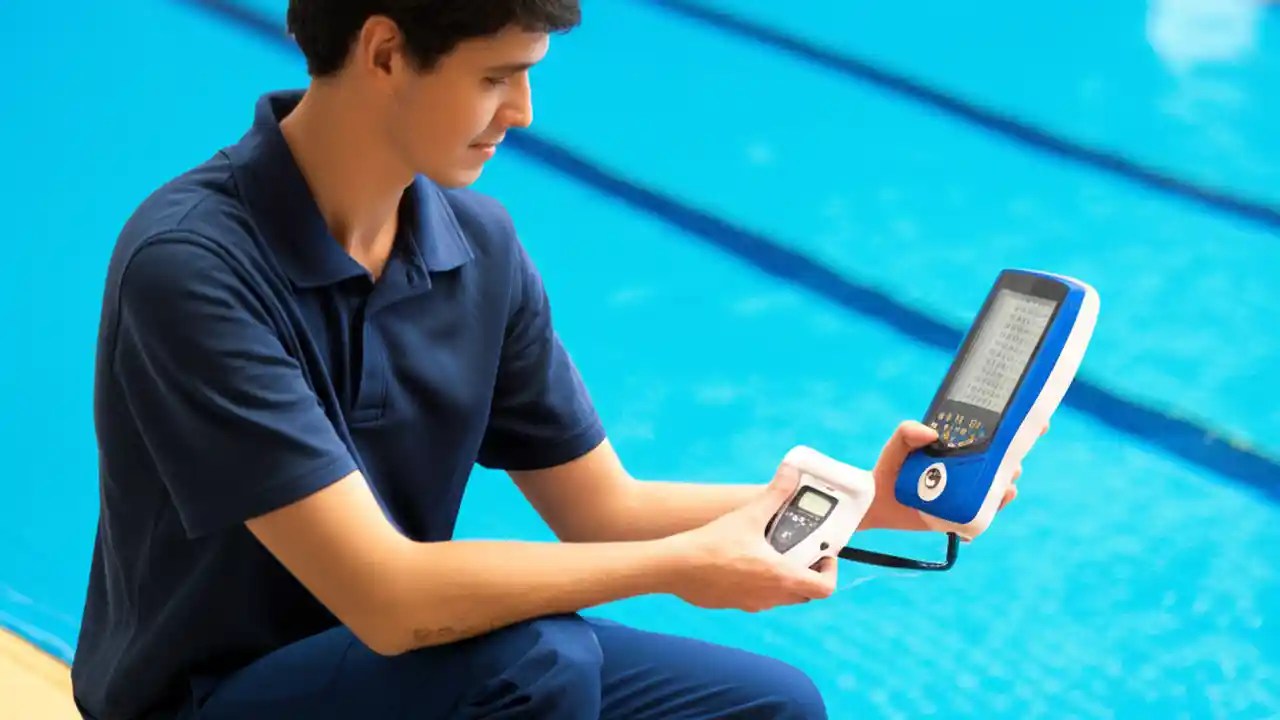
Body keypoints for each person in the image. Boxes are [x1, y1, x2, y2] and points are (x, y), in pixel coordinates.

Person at [69, 1, 1035, 718]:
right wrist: (682, 565)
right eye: (496, 76)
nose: (524, 111)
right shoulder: (193, 266)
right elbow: (389, 599)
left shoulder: (475, 247)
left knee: (770, 705)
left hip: (410, 670)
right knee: (537, 665)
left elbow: (602, 509)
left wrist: (881, 499)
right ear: (385, 50)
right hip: (211, 698)